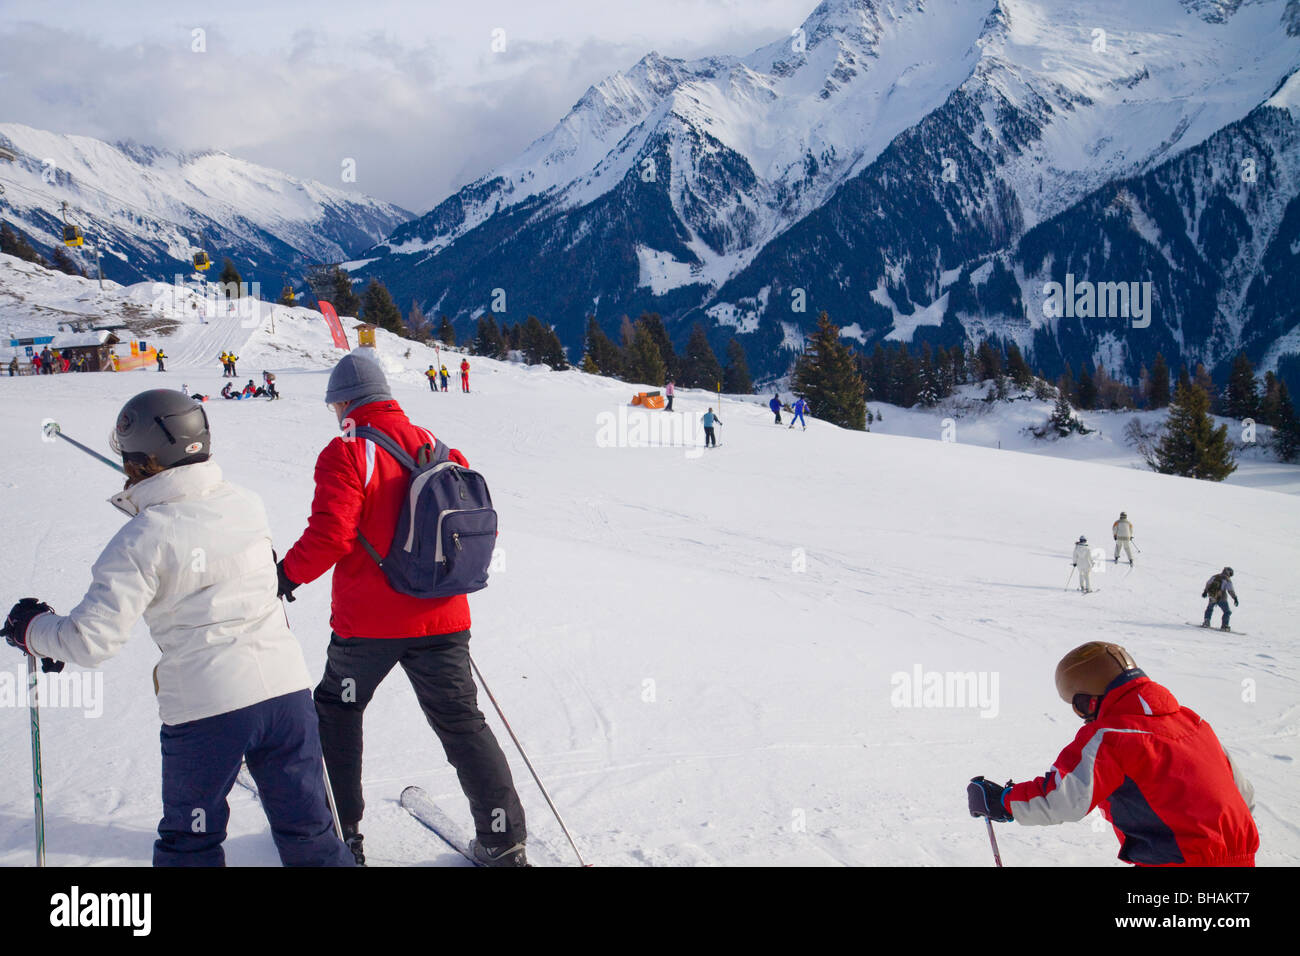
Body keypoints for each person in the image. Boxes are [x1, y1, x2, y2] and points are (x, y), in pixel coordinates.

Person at [1, 389, 352, 868]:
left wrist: (33, 630)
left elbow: (91, 640)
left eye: (128, 458)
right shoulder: (246, 502)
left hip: (209, 712)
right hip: (287, 695)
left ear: (144, 461)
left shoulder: (141, 539)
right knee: (309, 829)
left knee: (192, 841)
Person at [276, 353, 527, 866]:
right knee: (462, 723)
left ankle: (341, 835)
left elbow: (332, 534)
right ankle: (503, 841)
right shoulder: (440, 446)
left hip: (368, 624)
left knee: (338, 711)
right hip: (444, 615)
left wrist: (285, 575)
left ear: (345, 402)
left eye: (335, 405)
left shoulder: (347, 451)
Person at [967, 642, 1258, 866]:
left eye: (1079, 706)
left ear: (1090, 700)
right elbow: (1242, 797)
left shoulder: (1111, 735)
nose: (1082, 716)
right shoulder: (1194, 723)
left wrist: (1002, 801)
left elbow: (1061, 800)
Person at [1201, 567, 1238, 631]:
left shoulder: (1215, 576)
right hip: (1222, 598)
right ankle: (1224, 626)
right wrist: (1235, 598)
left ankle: (1206, 622)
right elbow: (1230, 590)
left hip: (1212, 596)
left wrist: (1205, 592)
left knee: (1209, 609)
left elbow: (1208, 584)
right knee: (1227, 612)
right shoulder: (1227, 579)